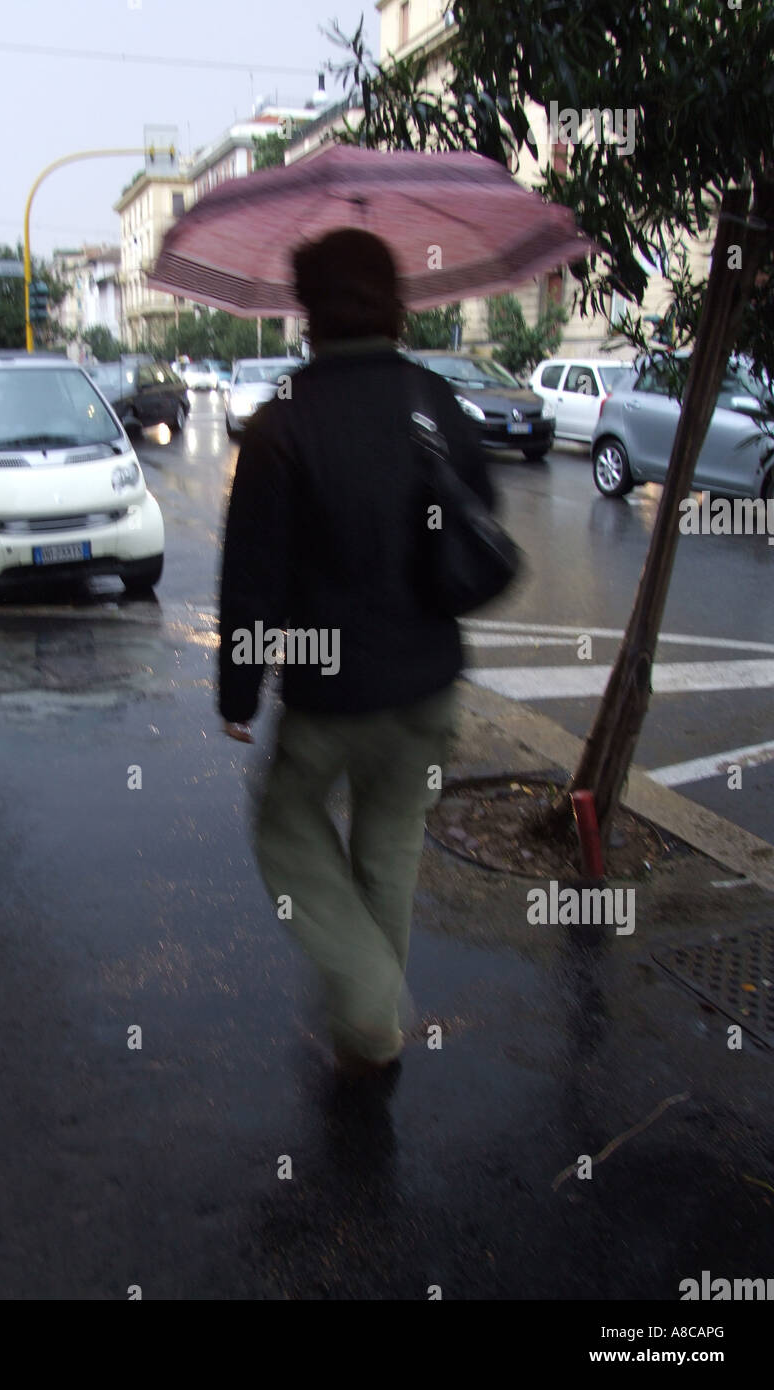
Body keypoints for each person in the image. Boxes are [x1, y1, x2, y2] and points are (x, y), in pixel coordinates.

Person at [218, 228, 494, 1074]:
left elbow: (252, 582)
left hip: (328, 698)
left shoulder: (280, 426)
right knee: (388, 851)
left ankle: (371, 1007)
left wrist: (237, 694)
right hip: (427, 686)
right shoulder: (435, 404)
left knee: (284, 828)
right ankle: (367, 1032)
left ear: (309, 312)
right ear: (394, 304)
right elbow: (477, 513)